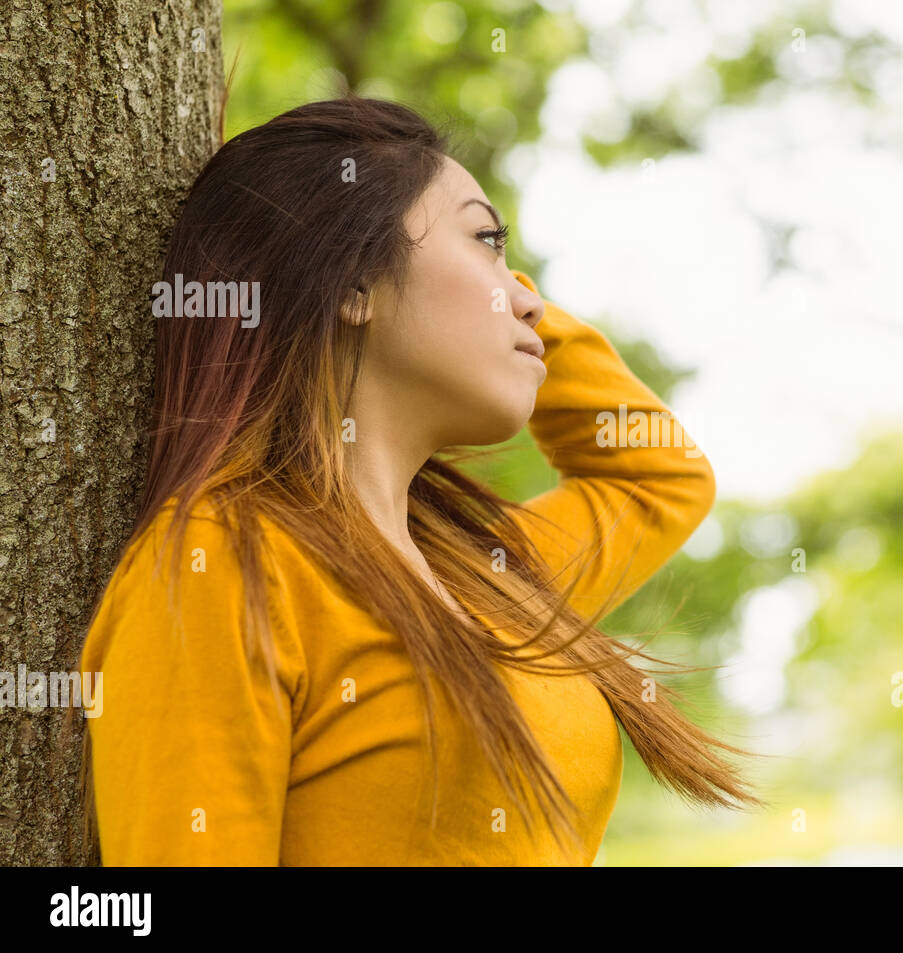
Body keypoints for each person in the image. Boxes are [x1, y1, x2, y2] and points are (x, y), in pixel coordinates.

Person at [77, 97, 764, 865]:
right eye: (486, 242)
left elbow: (654, 474)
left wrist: (502, 298)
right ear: (352, 281)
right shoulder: (221, 565)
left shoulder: (491, 573)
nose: (532, 298)